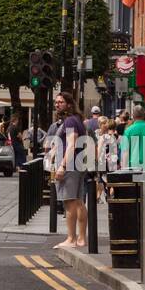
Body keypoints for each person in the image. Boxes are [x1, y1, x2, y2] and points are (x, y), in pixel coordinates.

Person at [52, 92, 88, 250]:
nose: (57, 104)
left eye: (61, 102)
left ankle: (71, 238)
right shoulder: (77, 119)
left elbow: (71, 144)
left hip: (70, 165)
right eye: (56, 102)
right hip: (78, 164)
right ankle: (81, 238)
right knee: (79, 201)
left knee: (69, 202)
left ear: (69, 104)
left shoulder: (70, 121)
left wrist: (62, 166)